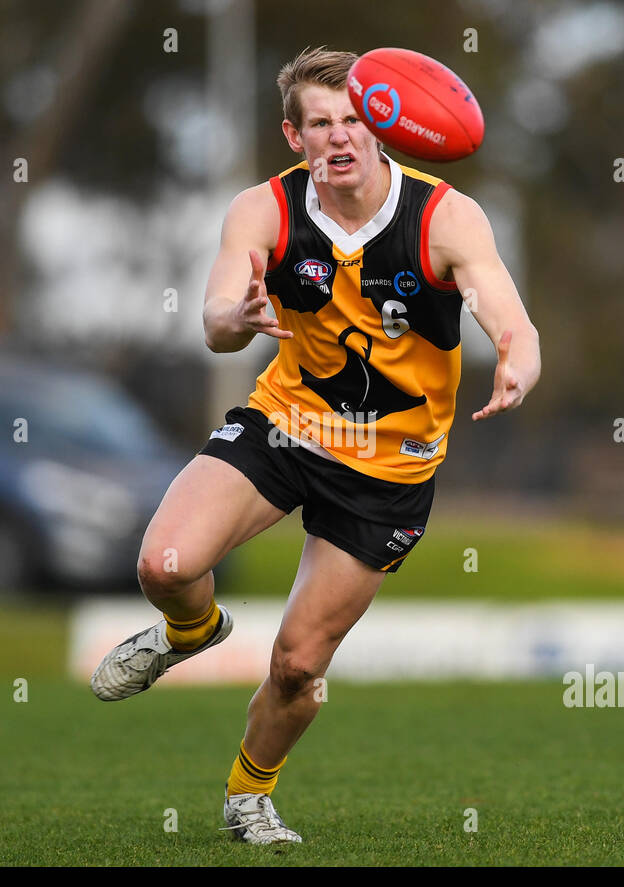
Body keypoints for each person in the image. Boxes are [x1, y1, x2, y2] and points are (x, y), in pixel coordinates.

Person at [91, 46, 541, 845]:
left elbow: (508, 311)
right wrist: (236, 319)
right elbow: (217, 320)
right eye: (321, 123)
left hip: (390, 468)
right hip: (287, 426)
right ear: (294, 137)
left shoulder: (445, 216)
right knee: (164, 565)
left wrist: (516, 356)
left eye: (356, 119)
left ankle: (246, 797)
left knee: (298, 666)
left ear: (385, 125)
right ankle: (191, 632)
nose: (341, 137)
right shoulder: (262, 211)